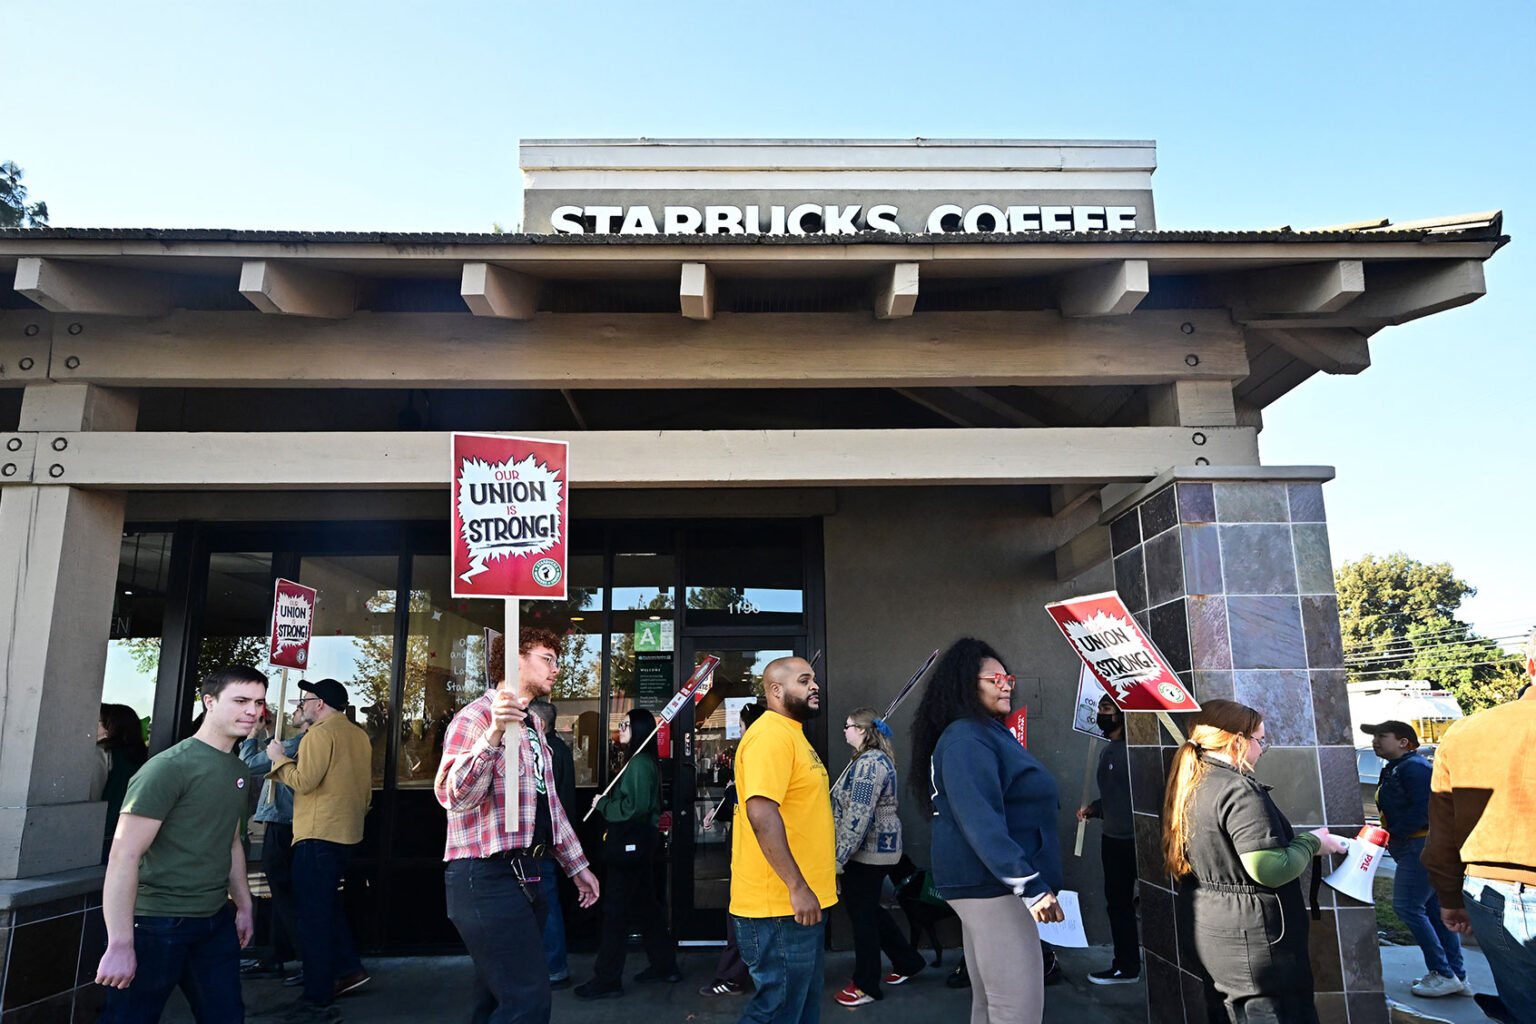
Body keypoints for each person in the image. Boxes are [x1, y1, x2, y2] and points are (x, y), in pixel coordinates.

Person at [435, 627, 600, 1024]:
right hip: (484, 874)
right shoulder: (473, 717)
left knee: (496, 998)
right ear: (515, 660)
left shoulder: (533, 728)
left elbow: (550, 807)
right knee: (527, 1000)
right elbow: (454, 797)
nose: (556, 669)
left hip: (526, 875)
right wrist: (491, 737)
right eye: (548, 658)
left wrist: (577, 866)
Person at [94, 665, 267, 1022]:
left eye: (258, 702)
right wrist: (120, 943)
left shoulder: (237, 769)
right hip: (157, 923)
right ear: (209, 702)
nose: (252, 711)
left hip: (214, 920)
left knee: (226, 1016)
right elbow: (124, 854)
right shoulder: (168, 768)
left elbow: (231, 841)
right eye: (240, 700)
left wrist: (245, 905)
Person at [1161, 699, 1347, 1024]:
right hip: (1256, 946)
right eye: (1260, 740)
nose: (1262, 750)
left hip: (1214, 933)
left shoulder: (1193, 782)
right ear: (1238, 740)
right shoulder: (1238, 790)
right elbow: (1269, 869)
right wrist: (1313, 841)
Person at [909, 638, 1065, 1024]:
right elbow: (980, 820)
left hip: (990, 886)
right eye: (995, 678)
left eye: (1008, 677)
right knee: (1018, 1011)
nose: (1006, 684)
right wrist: (1029, 885)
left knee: (992, 1005)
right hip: (995, 887)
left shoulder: (981, 733)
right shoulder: (966, 737)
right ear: (966, 683)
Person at [1423, 632, 1536, 1024]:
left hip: (1494, 894)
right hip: (1496, 893)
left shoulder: (1467, 731)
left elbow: (1442, 828)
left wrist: (1450, 898)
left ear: (1531, 667)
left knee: (1524, 1005)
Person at [730, 656, 836, 1024]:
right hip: (778, 907)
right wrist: (797, 885)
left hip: (801, 903)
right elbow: (761, 814)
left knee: (800, 1010)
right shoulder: (769, 736)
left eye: (815, 680)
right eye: (804, 681)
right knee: (776, 1012)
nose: (815, 686)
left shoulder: (793, 735)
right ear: (776, 691)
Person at [265, 678, 374, 1018]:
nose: (302, 703)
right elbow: (366, 792)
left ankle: (317, 993)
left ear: (321, 704)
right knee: (326, 908)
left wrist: (278, 759)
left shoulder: (319, 735)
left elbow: (304, 782)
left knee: (312, 916)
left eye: (306, 698)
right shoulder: (358, 735)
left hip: (317, 834)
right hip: (347, 834)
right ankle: (348, 970)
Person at [577, 707, 681, 999]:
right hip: (642, 845)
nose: (620, 729)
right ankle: (665, 965)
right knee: (647, 908)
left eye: (625, 725)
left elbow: (632, 809)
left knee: (615, 913)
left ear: (638, 730)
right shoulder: (642, 762)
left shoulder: (637, 765)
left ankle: (607, 979)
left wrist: (603, 806)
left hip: (629, 844)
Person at [1360, 720, 1468, 998]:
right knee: (1431, 910)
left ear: (1404, 742)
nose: (1375, 742)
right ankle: (1456, 976)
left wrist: (1393, 834)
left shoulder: (1414, 768)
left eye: (1382, 736)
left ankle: (1444, 973)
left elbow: (1425, 809)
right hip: (1419, 845)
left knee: (1407, 906)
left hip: (1419, 846)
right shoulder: (1399, 767)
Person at [831, 706, 926, 1007]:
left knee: (862, 918)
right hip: (875, 850)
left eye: (847, 726)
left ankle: (865, 984)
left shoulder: (869, 764)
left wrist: (839, 858)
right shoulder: (867, 760)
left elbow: (858, 815)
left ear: (860, 730)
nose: (843, 730)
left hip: (867, 852)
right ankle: (907, 960)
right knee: (869, 910)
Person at [700, 700, 765, 998]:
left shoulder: (754, 754)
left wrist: (728, 794)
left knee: (740, 912)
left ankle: (733, 975)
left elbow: (744, 799)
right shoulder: (760, 753)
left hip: (750, 848)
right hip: (749, 845)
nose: (738, 733)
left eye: (739, 727)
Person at [240, 702, 309, 981]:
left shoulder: (299, 743)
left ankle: (306, 958)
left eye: (299, 706)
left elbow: (249, 765)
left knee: (284, 892)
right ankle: (277, 954)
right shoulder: (298, 743)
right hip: (288, 821)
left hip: (284, 821)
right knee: (281, 892)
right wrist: (270, 733)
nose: (294, 711)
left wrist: (251, 736)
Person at [1075, 695, 1140, 985]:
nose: (1100, 714)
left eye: (1106, 709)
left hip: (1136, 841)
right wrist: (1096, 809)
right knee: (1117, 904)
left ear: (1121, 715)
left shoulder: (1135, 752)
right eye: (1100, 709)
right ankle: (1125, 966)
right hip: (1112, 840)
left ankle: (1131, 965)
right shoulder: (1108, 751)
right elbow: (1115, 796)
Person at [528, 699, 575, 990]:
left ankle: (554, 966)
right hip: (554, 837)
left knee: (544, 901)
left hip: (541, 839)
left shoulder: (543, 751)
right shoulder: (562, 749)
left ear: (539, 724)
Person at [95, 702, 149, 864]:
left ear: (108, 728)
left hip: (102, 834)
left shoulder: (101, 753)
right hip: (134, 834)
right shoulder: (145, 757)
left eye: (96, 720)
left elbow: (90, 797)